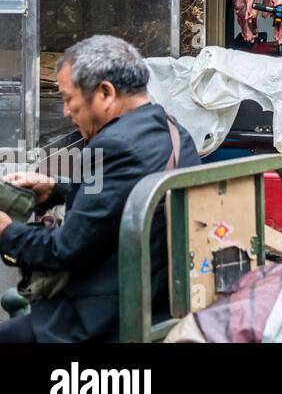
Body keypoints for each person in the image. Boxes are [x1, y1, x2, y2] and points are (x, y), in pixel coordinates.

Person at [0, 35, 199, 343]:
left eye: (69, 99)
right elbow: (122, 197)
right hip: (161, 300)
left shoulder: (112, 145)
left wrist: (6, 233)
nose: (66, 111)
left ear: (106, 93)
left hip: (105, 318)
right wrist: (53, 190)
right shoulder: (173, 131)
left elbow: (64, 250)